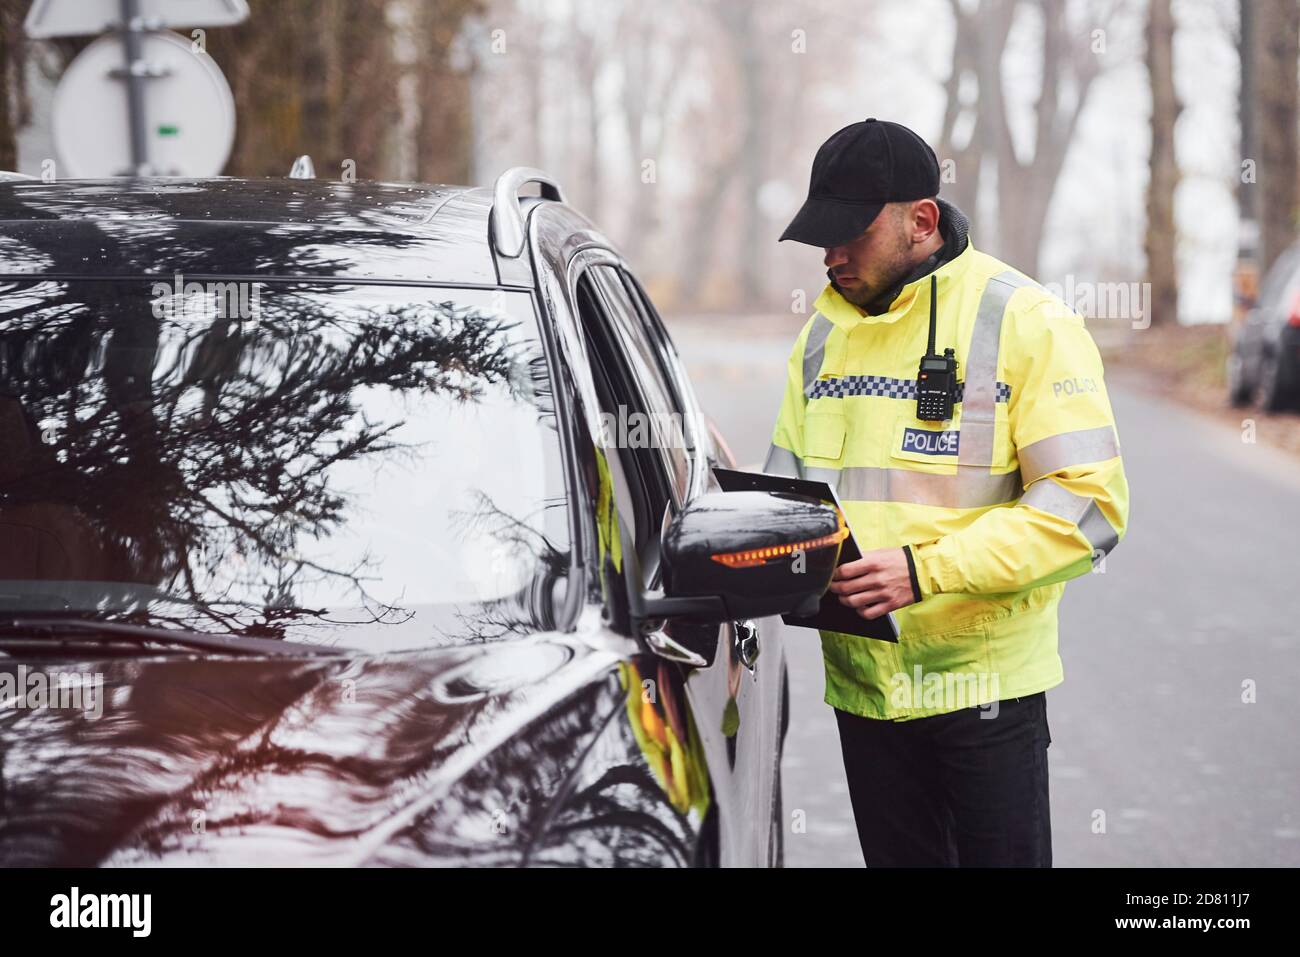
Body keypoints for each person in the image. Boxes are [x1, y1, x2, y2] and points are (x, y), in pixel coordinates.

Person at [765, 118, 1130, 867]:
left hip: (984, 695)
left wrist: (926, 569)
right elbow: (787, 495)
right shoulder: (821, 339)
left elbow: (1090, 509)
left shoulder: (1026, 320)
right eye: (820, 237)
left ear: (920, 220)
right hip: (864, 693)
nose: (831, 256)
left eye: (849, 234)